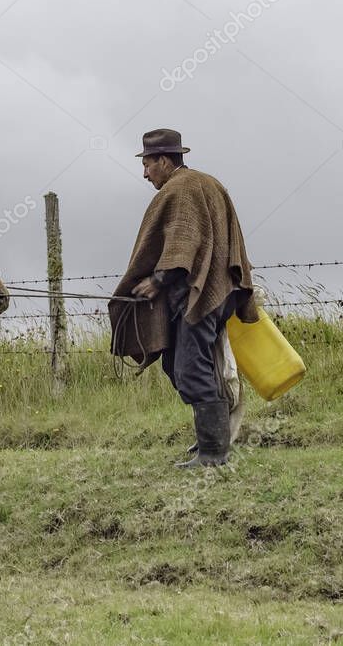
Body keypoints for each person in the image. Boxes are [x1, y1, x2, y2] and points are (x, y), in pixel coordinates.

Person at [109, 128, 258, 468]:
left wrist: (157, 281)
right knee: (179, 363)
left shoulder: (180, 190)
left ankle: (214, 454)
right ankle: (213, 439)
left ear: (164, 160)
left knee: (190, 368)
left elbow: (183, 244)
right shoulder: (207, 182)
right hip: (216, 290)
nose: (145, 173)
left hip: (201, 294)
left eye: (147, 164)